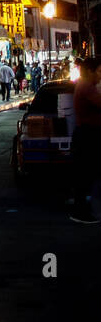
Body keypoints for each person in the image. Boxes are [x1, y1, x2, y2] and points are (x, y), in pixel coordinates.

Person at [70, 57, 101, 224]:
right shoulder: (86, 86)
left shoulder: (88, 85)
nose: (100, 75)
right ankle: (80, 211)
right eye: (99, 71)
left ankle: (83, 208)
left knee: (89, 174)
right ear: (90, 71)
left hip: (89, 135)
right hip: (87, 136)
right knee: (85, 175)